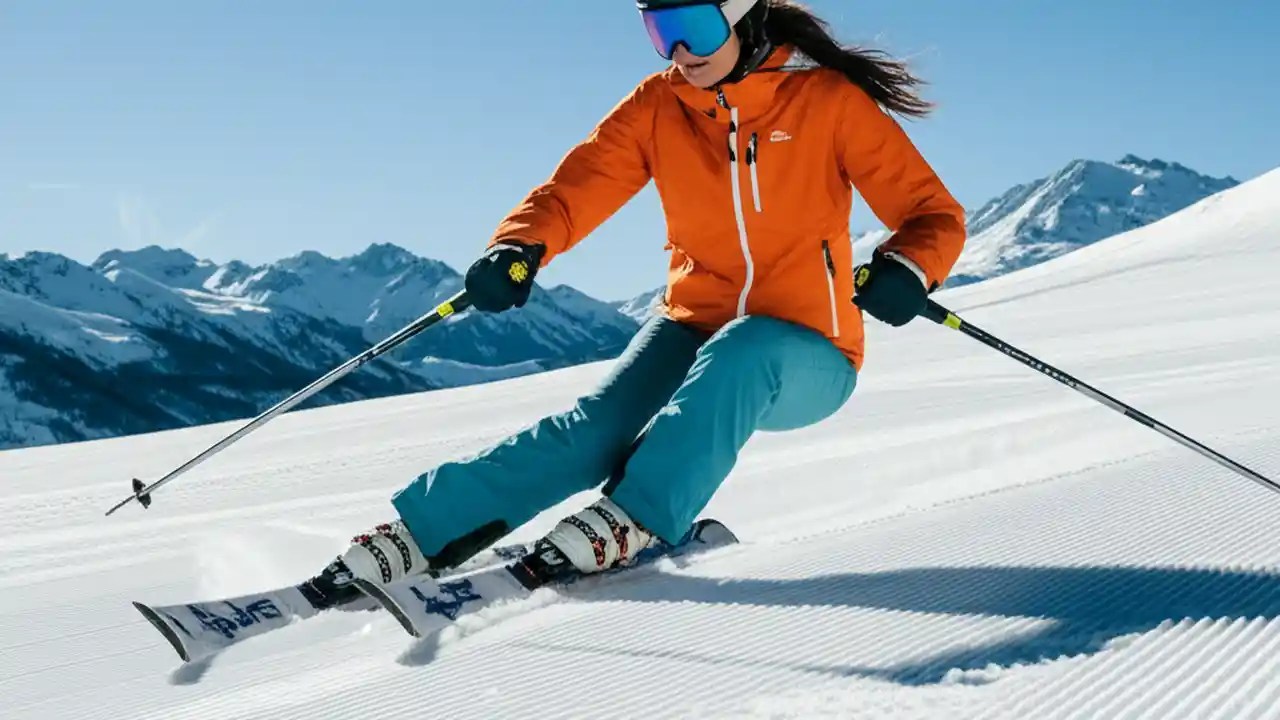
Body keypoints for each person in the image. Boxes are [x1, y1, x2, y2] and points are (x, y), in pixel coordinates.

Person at [305, 0, 966, 603]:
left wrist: (908, 267)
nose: (680, 51)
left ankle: (639, 516)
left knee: (746, 348)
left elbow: (931, 213)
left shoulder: (826, 102)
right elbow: (576, 187)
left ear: (747, 18)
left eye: (696, 29)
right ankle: (423, 532)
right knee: (597, 427)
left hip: (808, 353)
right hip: (692, 324)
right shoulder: (660, 106)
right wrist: (519, 246)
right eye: (660, 32)